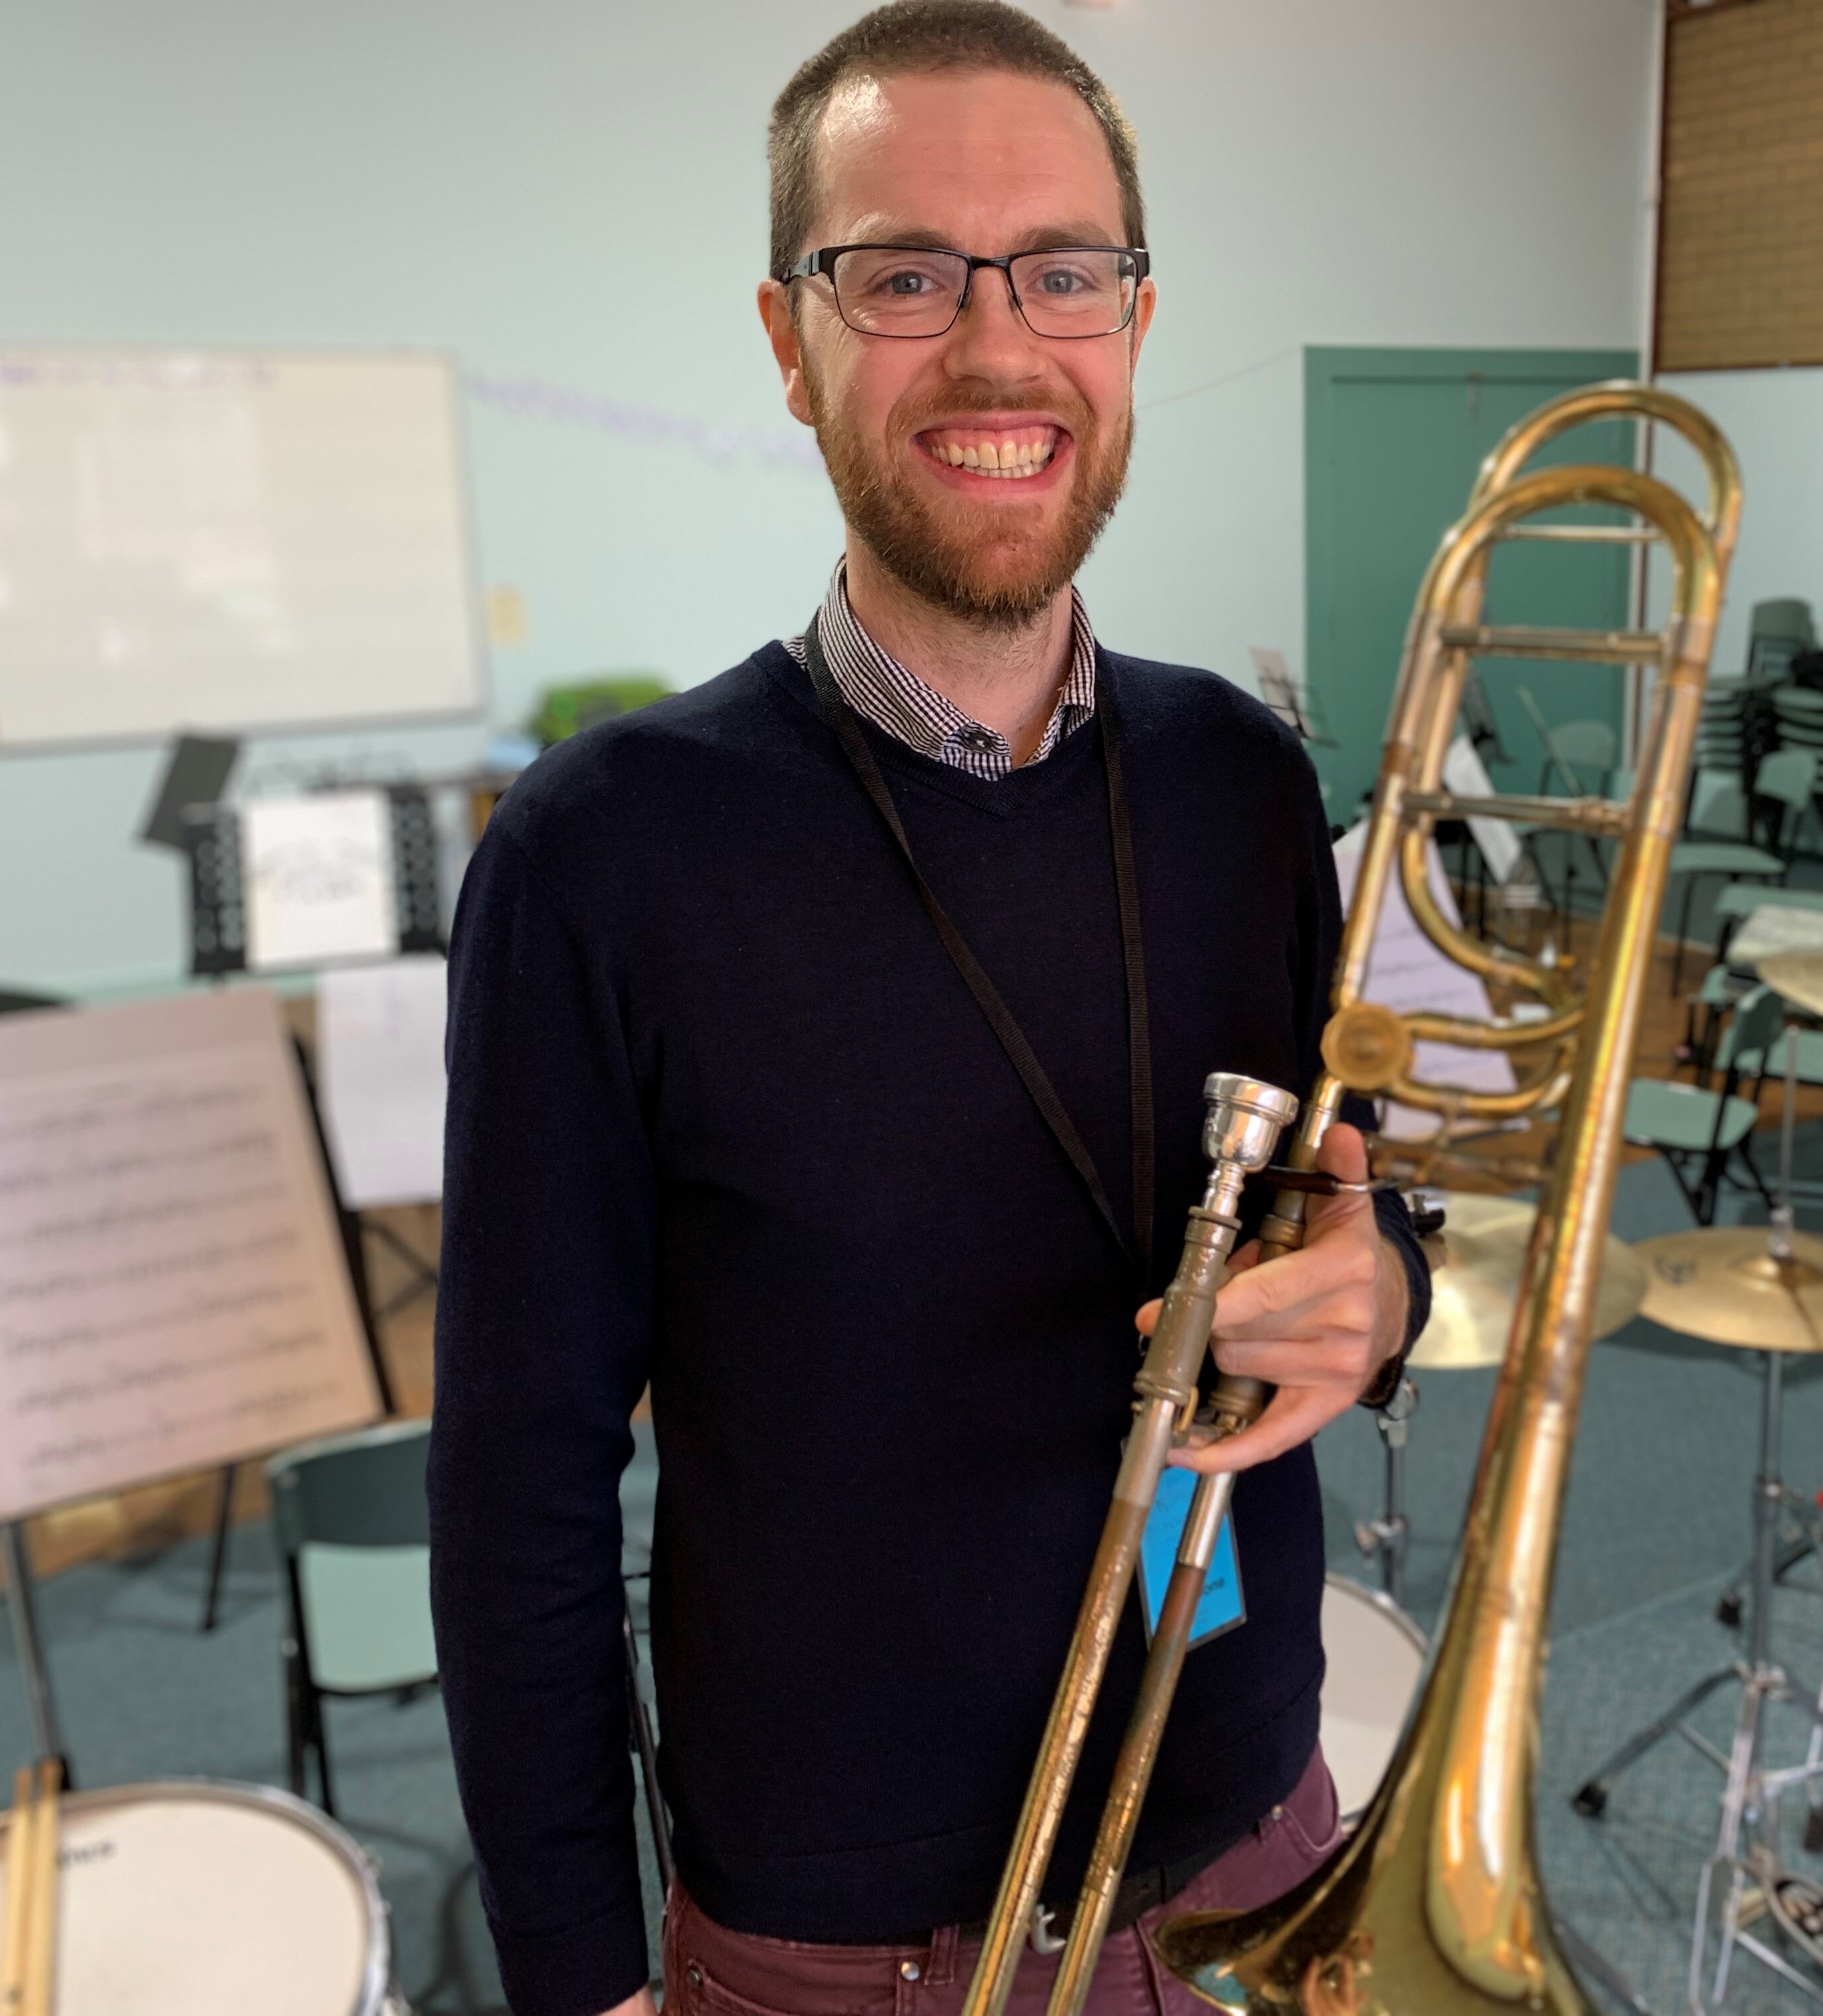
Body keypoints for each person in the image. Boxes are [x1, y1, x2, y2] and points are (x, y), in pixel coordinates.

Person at [426, 7, 1430, 2015]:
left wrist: (1380, 1292)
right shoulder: (600, 852)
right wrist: (576, 1967)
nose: (996, 347)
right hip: (844, 1927)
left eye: (1063, 272)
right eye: (902, 276)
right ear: (790, 343)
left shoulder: (1243, 782)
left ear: (1134, 320)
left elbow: (1347, 1196)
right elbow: (521, 1480)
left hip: (1252, 1816)